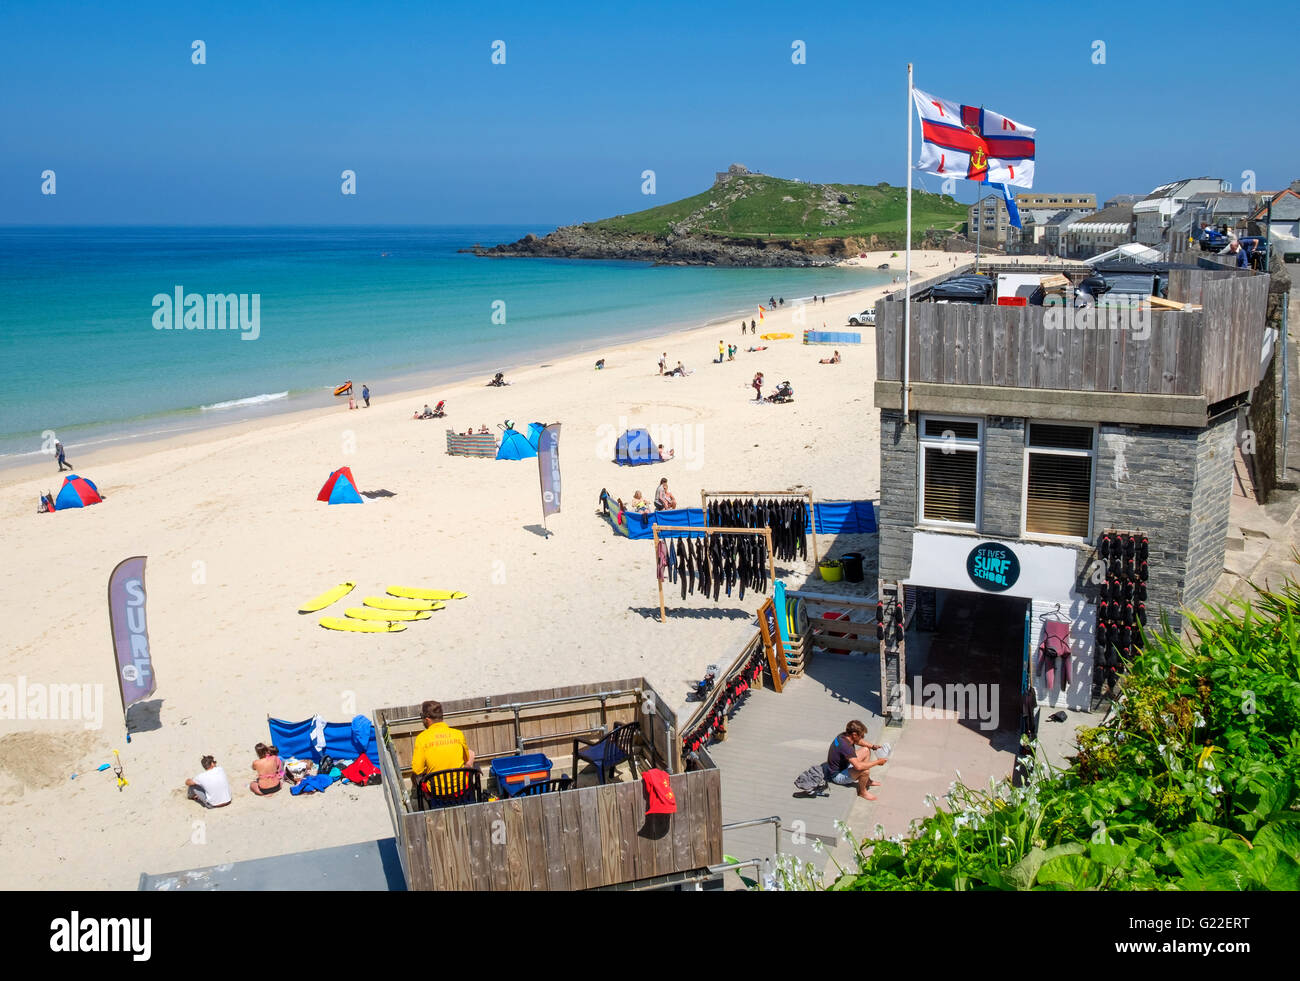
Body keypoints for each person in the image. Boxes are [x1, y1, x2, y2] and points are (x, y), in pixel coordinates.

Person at [410, 700, 475, 787]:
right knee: (471, 753)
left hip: (435, 792)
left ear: (427, 720)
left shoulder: (421, 738)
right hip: (460, 788)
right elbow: (466, 759)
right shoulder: (458, 734)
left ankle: (427, 799)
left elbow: (417, 770)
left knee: (413, 776)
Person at [826, 720, 887, 800]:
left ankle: (866, 780)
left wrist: (873, 746)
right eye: (861, 735)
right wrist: (878, 762)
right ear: (854, 735)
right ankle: (862, 792)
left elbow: (859, 742)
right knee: (864, 771)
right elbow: (858, 767)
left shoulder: (844, 736)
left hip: (845, 764)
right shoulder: (845, 746)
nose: (862, 737)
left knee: (866, 750)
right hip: (837, 775)